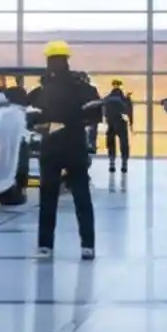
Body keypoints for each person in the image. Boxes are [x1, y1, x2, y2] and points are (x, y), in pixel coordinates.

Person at [26, 40, 101, 260]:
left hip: (51, 147)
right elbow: (95, 115)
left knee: (48, 197)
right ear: (67, 60)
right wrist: (75, 122)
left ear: (48, 61)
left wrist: (49, 124)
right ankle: (88, 245)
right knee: (81, 196)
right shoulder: (84, 89)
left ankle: (45, 245)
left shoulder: (41, 91)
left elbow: (31, 119)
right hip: (75, 145)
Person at [103, 78, 133, 174]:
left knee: (111, 144)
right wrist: (131, 123)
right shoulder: (124, 99)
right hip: (121, 123)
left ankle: (112, 163)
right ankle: (124, 164)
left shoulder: (107, 98)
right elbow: (129, 111)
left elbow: (104, 112)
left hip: (111, 123)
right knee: (124, 144)